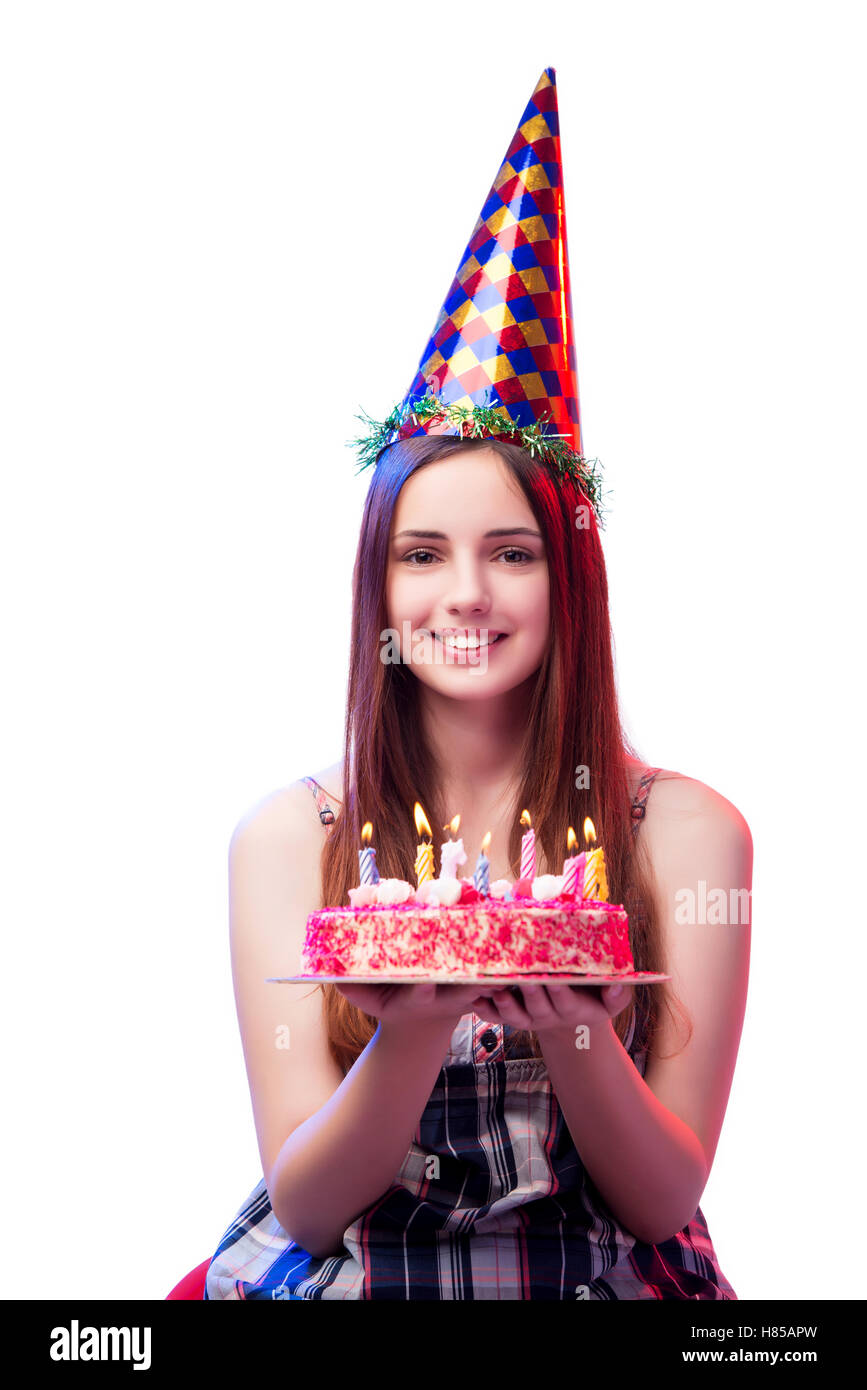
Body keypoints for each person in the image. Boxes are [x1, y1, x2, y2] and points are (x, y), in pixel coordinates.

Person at [204, 68, 751, 1300]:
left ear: (571, 581)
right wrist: (404, 1030)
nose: (465, 594)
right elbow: (303, 1195)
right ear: (377, 592)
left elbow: (666, 1196)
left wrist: (575, 1024)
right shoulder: (295, 835)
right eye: (421, 555)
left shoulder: (691, 833)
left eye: (511, 552)